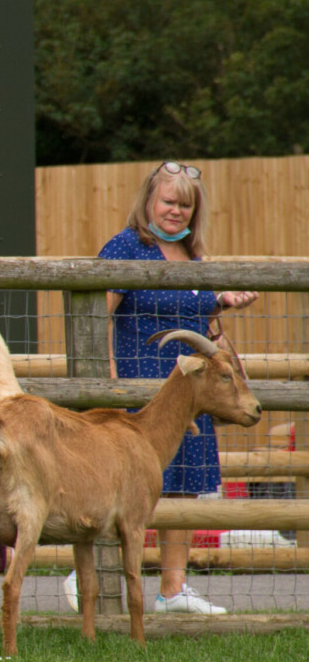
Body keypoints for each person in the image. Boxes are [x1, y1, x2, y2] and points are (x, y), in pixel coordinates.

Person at [64, 161, 258, 615]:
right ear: (149, 200)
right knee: (130, 485)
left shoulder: (195, 257)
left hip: (189, 397)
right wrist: (107, 381)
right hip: (141, 387)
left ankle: (173, 589)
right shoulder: (126, 246)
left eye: (185, 206)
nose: (176, 212)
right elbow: (96, 316)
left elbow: (208, 329)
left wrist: (226, 312)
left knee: (184, 486)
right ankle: (89, 570)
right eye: (169, 202)